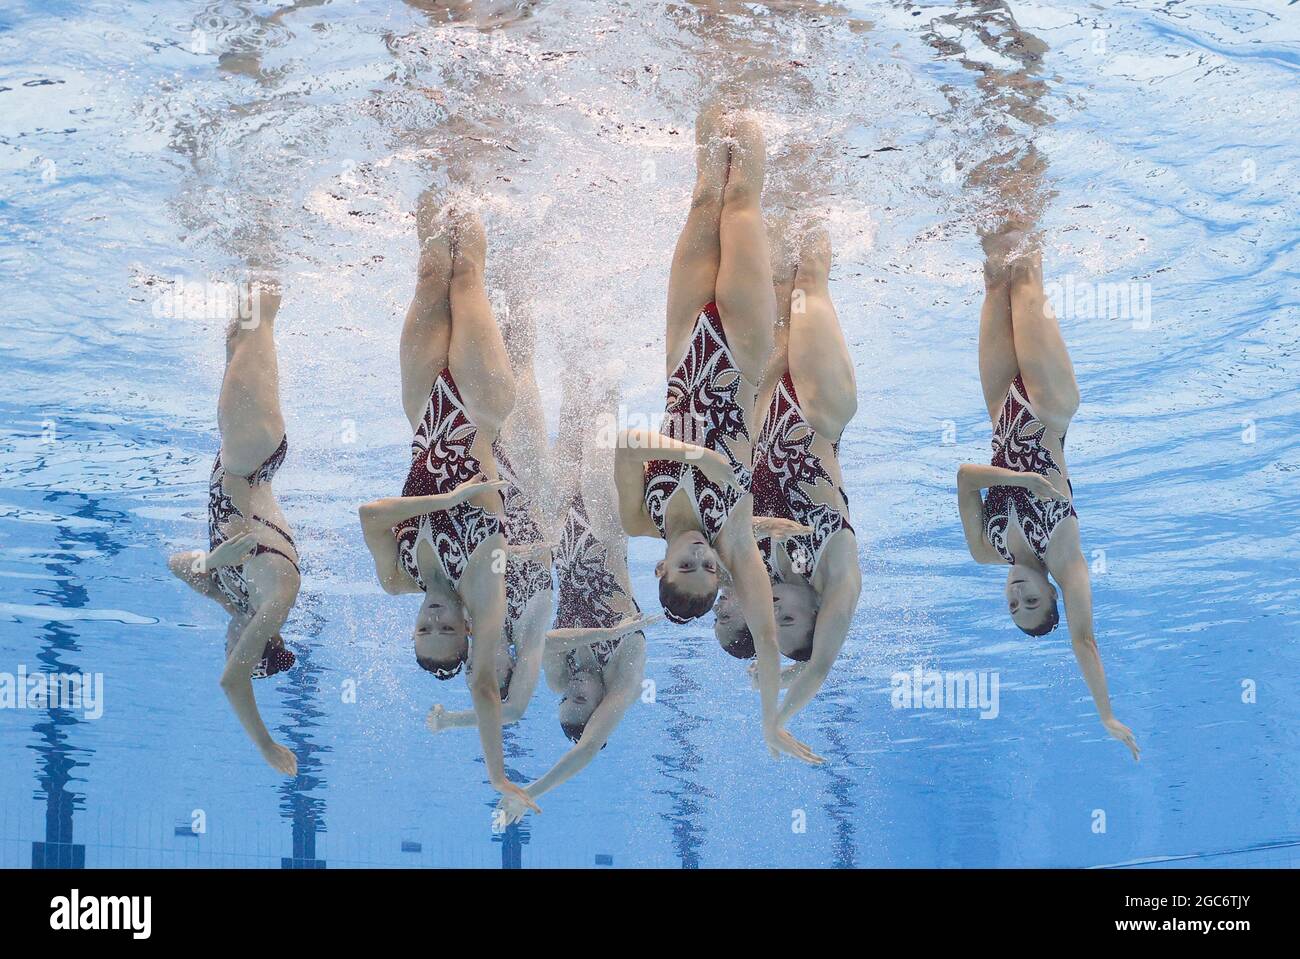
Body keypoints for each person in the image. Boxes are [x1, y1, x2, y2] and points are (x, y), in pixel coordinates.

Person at [613, 104, 820, 764]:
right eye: (712, 569)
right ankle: (753, 91)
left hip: (681, 347)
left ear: (662, 566)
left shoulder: (638, 517)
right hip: (741, 345)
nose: (706, 557)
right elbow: (762, 621)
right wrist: (771, 719)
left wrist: (690, 452)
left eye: (688, 566)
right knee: (739, 200)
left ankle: (712, 68)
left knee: (703, 192)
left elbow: (623, 445)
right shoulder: (730, 527)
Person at [357, 195, 540, 809]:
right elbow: (487, 690)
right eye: (445, 630)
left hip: (423, 410)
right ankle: (474, 159)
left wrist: (454, 495)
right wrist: (497, 776)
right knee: (466, 278)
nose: (433, 619)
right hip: (482, 404)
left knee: (429, 270)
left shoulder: (397, 577)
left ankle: (438, 158)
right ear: (466, 630)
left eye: (422, 629)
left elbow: (369, 516)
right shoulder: (483, 586)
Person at [955, 226, 1139, 761]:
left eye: (1012, 605)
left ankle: (989, 189)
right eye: (1031, 601)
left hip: (1001, 410)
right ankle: (1027, 160)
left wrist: (1018, 481)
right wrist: (1105, 712)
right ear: (1052, 594)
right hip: (1050, 405)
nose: (1018, 595)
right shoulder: (1065, 556)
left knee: (995, 275)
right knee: (1026, 277)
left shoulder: (984, 549)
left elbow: (965, 478)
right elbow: (1084, 640)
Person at [713, 224, 861, 729]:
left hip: (774, 400)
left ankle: (786, 188)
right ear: (819, 613)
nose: (775, 610)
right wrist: (776, 721)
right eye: (791, 618)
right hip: (820, 405)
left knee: (778, 281)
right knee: (809, 281)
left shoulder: (763, 564)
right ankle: (818, 195)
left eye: (775, 623)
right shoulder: (836, 572)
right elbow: (820, 665)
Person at [496, 372, 661, 824]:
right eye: (581, 701)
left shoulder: (556, 673)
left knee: (568, 424)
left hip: (561, 533)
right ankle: (611, 360)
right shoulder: (624, 674)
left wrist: (592, 634)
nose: (570, 691)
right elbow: (588, 747)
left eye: (565, 700)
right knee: (593, 459)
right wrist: (529, 792)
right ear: (602, 704)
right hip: (605, 532)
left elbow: (546, 644)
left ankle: (577, 348)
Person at [167, 281, 300, 775]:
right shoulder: (277, 596)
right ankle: (268, 235)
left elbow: (176, 565)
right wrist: (267, 746)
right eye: (235, 647)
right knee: (260, 310)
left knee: (238, 331)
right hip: (252, 450)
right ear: (259, 642)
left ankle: (254, 243)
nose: (227, 643)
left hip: (238, 451)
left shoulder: (236, 595)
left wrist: (215, 566)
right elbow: (231, 682)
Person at [426, 303, 553, 734]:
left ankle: (475, 305)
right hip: (524, 480)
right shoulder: (528, 631)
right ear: (511, 668)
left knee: (474, 393)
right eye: (485, 675)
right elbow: (514, 711)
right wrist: (456, 721)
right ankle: (521, 288)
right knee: (521, 369)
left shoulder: (469, 617)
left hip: (485, 483)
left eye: (469, 673)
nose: (474, 667)